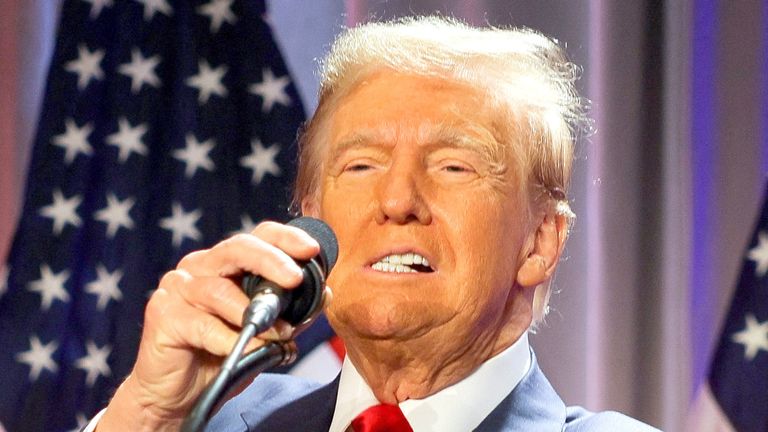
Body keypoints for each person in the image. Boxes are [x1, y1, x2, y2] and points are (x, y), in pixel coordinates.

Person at [92, 16, 660, 431]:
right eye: (361, 165)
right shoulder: (207, 422)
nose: (396, 199)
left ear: (540, 241)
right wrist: (145, 412)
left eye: (453, 166)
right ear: (310, 222)